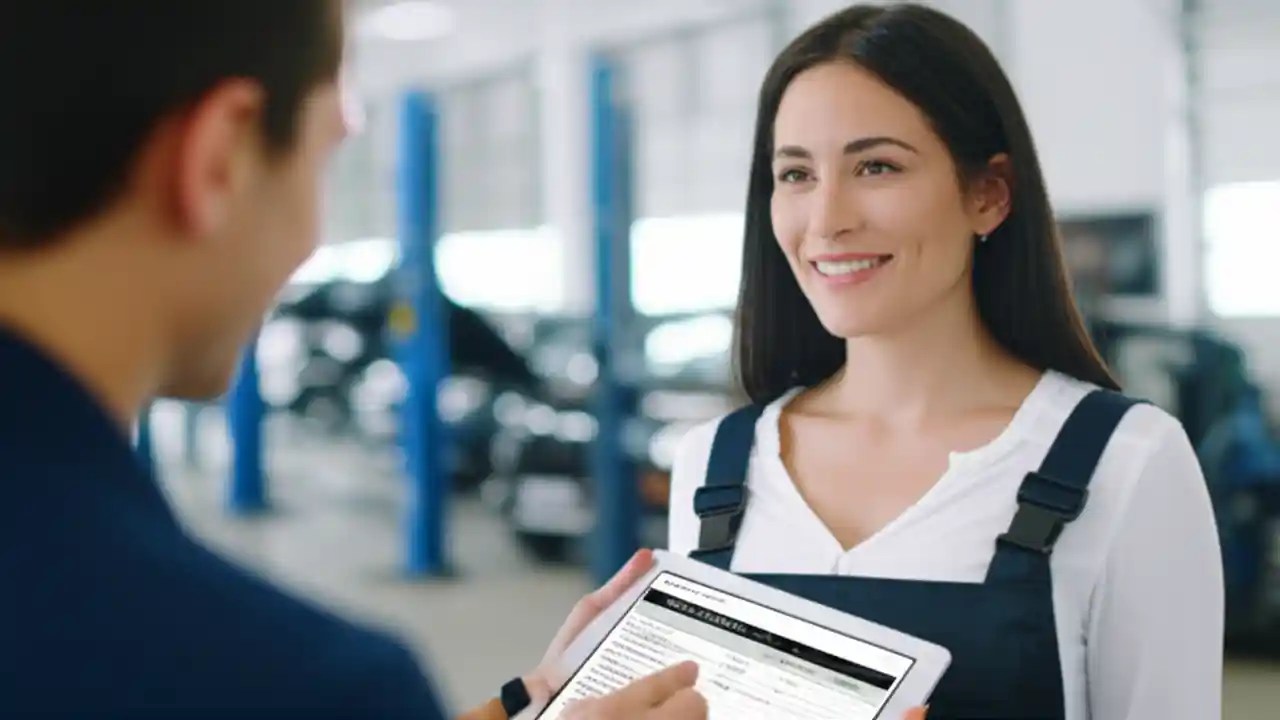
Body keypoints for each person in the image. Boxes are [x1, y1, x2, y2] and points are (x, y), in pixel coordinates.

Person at [0, 3, 711, 718]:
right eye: (324, 157)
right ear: (223, 155)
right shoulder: (287, 679)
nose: (312, 238)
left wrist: (527, 700)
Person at [668, 4, 1224, 720]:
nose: (827, 218)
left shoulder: (1125, 463)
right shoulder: (712, 467)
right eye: (796, 174)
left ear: (988, 194)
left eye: (876, 166)